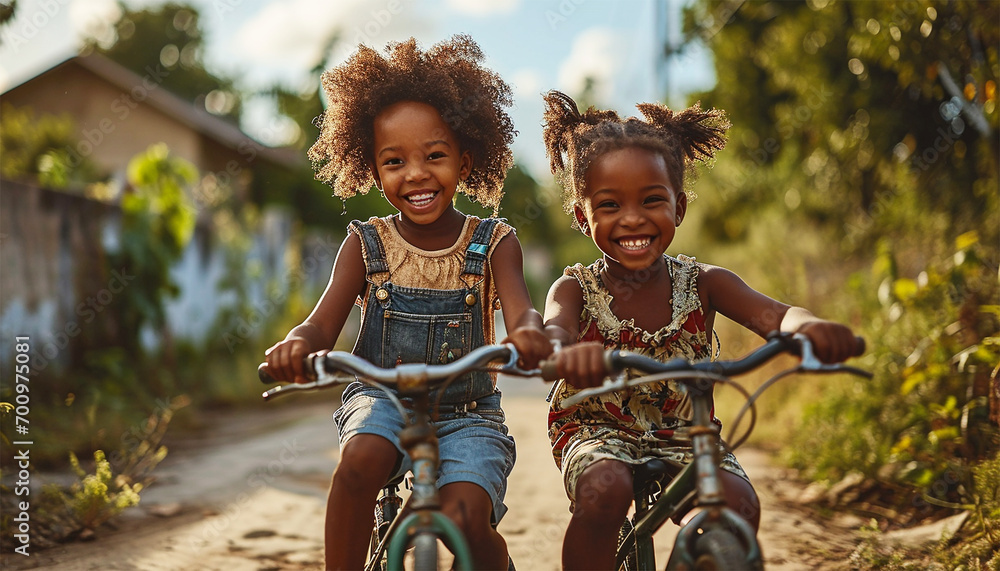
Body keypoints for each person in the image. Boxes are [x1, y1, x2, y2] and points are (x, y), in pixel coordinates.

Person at [538, 90, 862, 570]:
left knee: (739, 504)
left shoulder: (706, 283)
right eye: (609, 205)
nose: (632, 218)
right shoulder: (575, 289)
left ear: (679, 209)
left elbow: (775, 314)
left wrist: (810, 327)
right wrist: (563, 353)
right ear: (583, 218)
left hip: (688, 433)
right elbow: (553, 333)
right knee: (605, 491)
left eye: (652, 201)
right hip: (596, 427)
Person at [262, 35, 551, 570]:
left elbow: (521, 311)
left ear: (466, 162)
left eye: (434, 156)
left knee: (465, 515)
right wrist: (295, 346)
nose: (415, 174)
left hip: (468, 414)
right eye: (394, 161)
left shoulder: (494, 241)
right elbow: (321, 324)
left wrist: (528, 334)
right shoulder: (365, 243)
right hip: (382, 399)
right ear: (373, 170)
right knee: (359, 461)